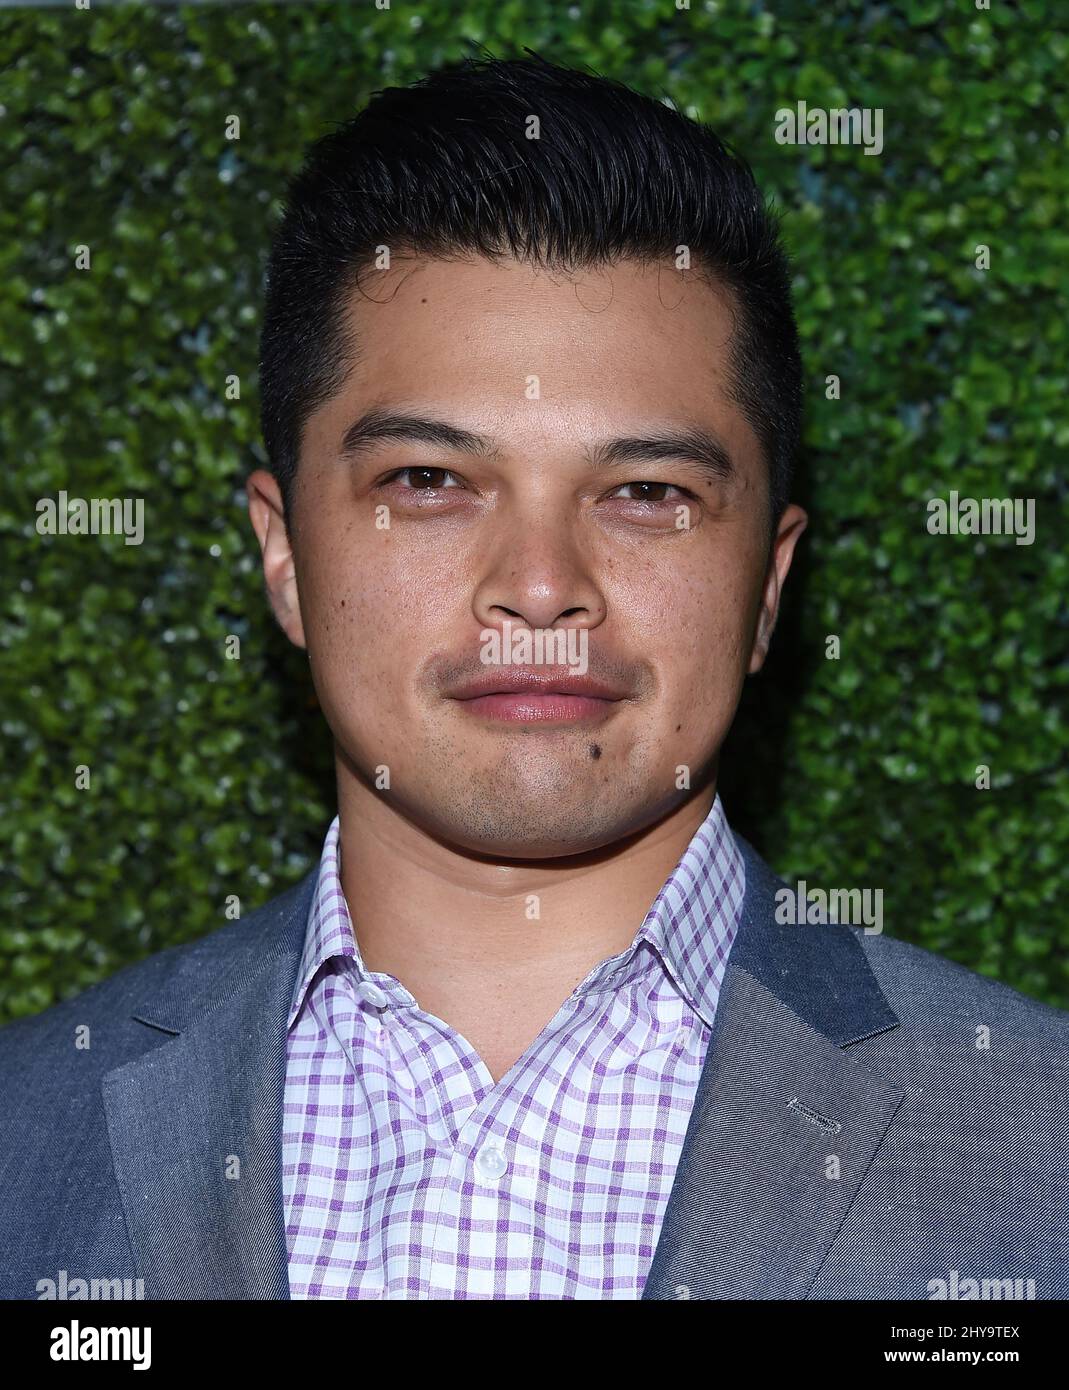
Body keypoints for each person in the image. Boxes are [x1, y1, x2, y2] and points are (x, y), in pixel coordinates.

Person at [2, 52, 1066, 1302]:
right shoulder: (28, 1131)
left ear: (769, 585)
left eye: (647, 492)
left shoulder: (1036, 1148)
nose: (543, 585)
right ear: (284, 555)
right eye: (429, 482)